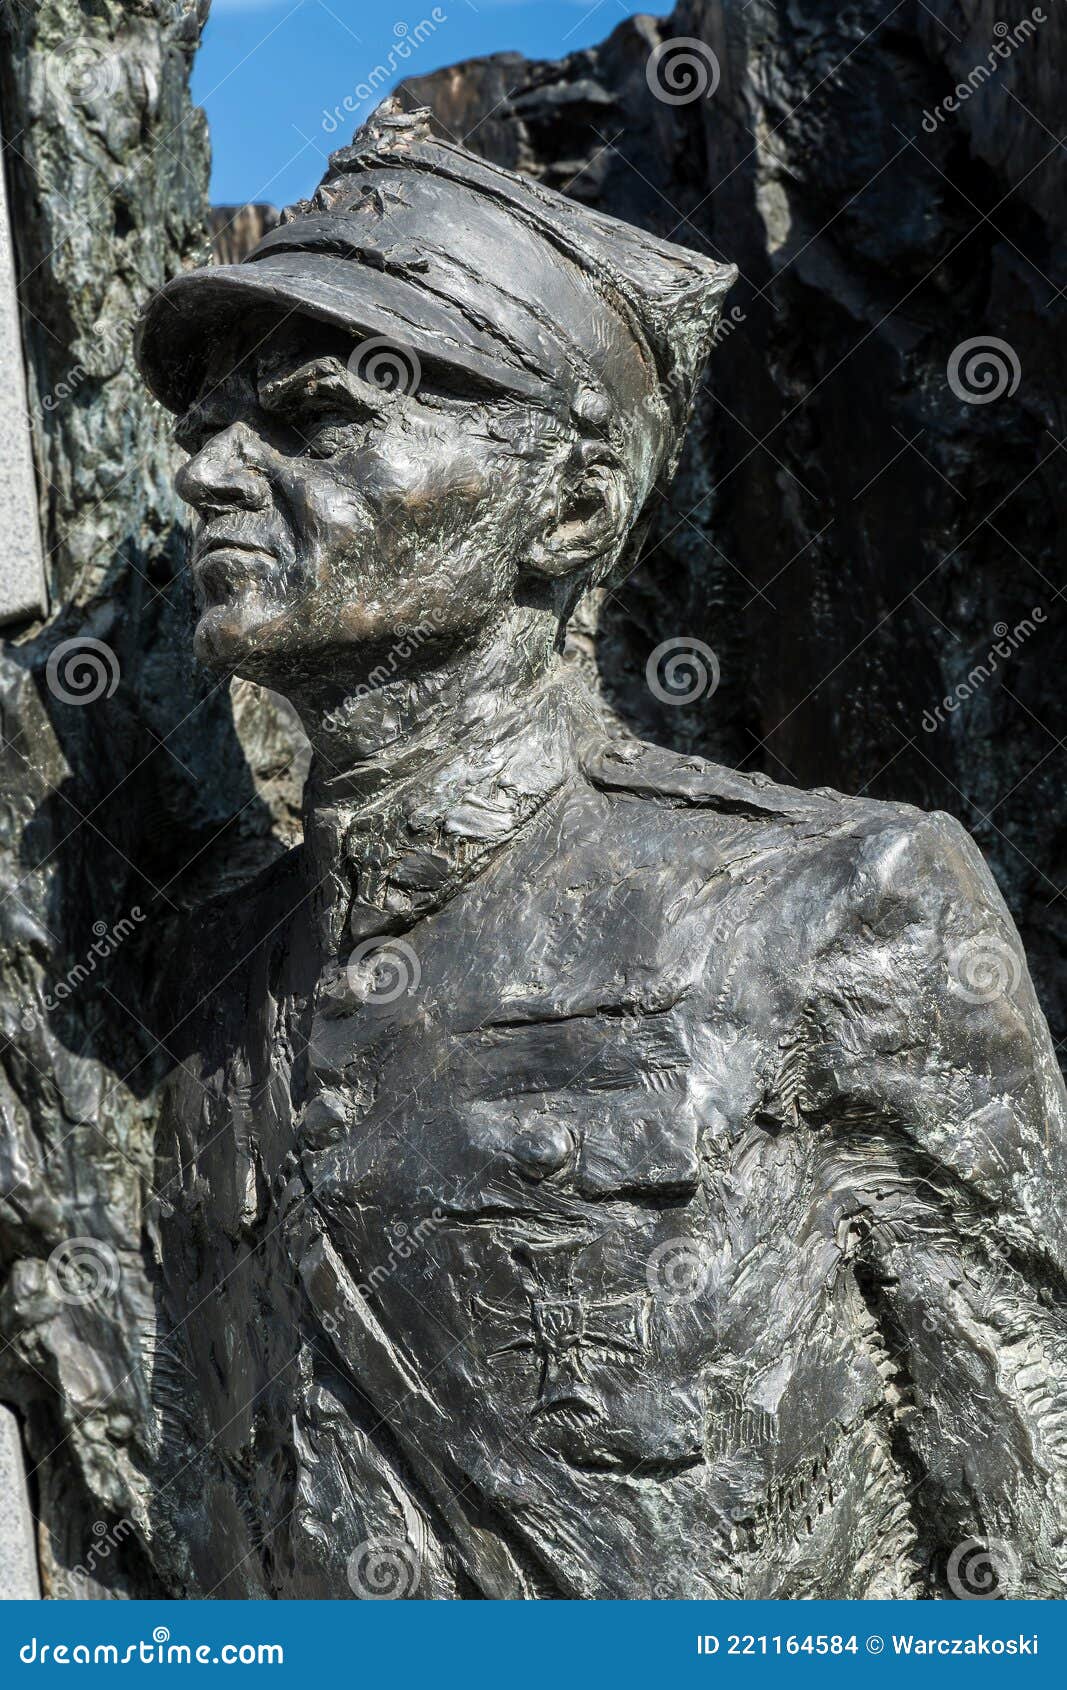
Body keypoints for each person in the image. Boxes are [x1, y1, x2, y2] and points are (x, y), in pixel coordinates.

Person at [135, 104, 1067, 1600]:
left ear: (566, 506)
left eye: (316, 417)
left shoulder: (836, 904)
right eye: (207, 430)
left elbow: (1028, 1511)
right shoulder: (200, 988)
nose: (212, 475)